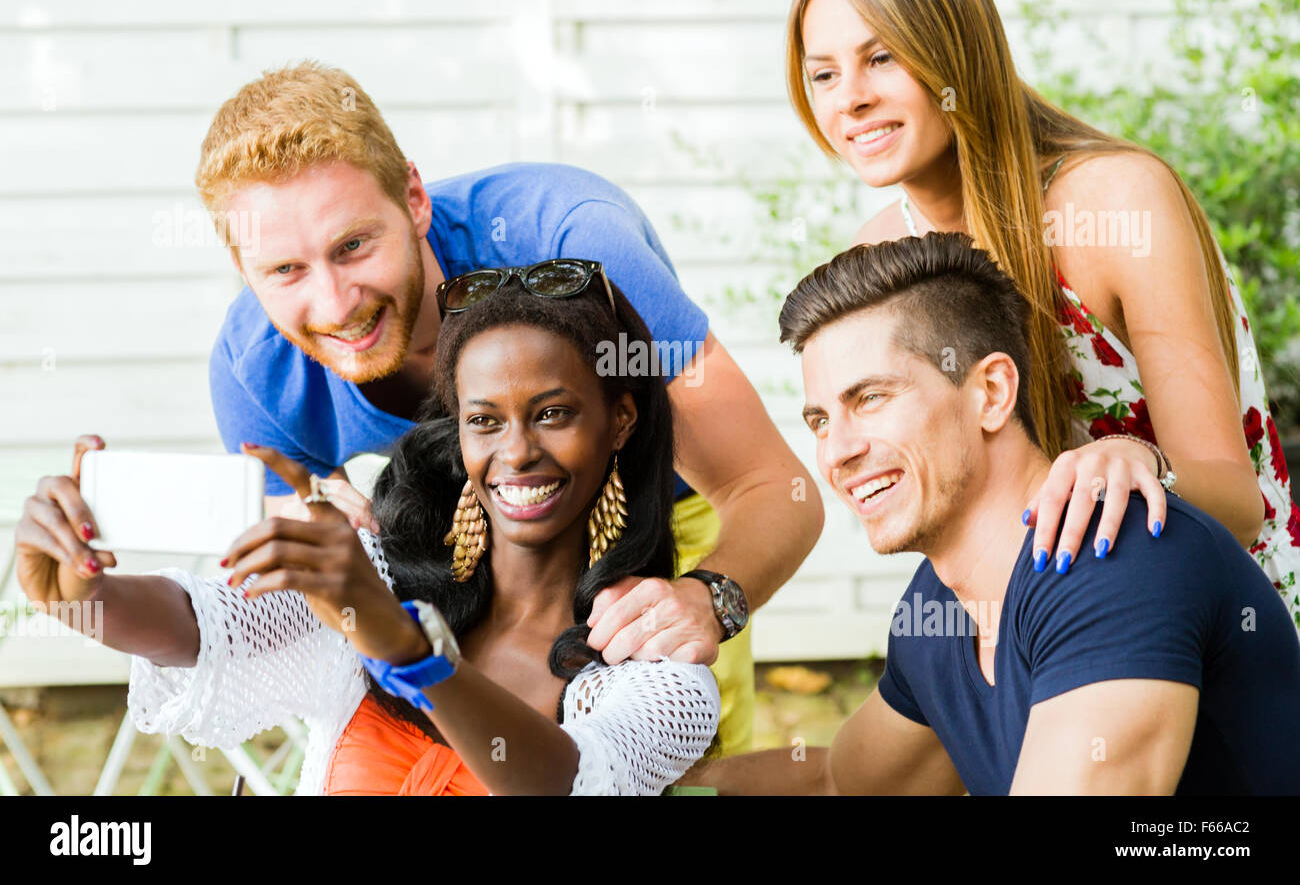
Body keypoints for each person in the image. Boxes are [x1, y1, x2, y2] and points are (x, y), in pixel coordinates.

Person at [198, 62, 824, 755]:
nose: (337, 303)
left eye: (353, 246)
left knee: (674, 762)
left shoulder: (579, 248)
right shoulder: (252, 371)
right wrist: (322, 522)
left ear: (413, 198)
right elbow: (284, 582)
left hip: (655, 510)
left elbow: (771, 490)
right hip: (467, 531)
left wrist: (709, 597)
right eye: (286, 271)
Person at [15, 270, 720, 795]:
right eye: (484, 420)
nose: (517, 452)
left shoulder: (658, 672)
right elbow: (200, 627)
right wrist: (80, 589)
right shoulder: (379, 579)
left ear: (620, 419)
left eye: (553, 413)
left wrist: (407, 649)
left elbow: (571, 784)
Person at [785, 0, 1298, 628]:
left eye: (881, 57)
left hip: (1217, 614)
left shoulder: (1116, 202)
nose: (851, 98)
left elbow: (1238, 505)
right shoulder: (884, 251)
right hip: (1045, 612)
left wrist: (1132, 458)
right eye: (824, 74)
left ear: (954, 53)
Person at [687, 234, 1300, 794]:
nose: (837, 451)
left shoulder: (1112, 558)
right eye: (821, 420)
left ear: (991, 393)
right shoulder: (939, 611)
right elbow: (837, 785)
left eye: (870, 398)